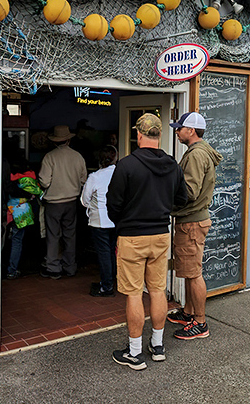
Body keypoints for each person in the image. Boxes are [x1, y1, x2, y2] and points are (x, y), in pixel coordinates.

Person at [107, 113, 187, 370]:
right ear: (159, 135)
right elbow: (182, 199)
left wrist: (125, 220)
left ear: (139, 135)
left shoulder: (127, 165)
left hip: (132, 236)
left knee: (133, 293)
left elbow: (113, 206)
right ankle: (158, 345)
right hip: (161, 234)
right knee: (157, 290)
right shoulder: (173, 165)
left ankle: (134, 353)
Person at [167, 112, 222, 340]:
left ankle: (200, 323)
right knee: (189, 272)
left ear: (191, 131)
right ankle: (188, 312)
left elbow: (189, 192)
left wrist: (164, 194)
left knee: (194, 273)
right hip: (193, 220)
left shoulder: (196, 155)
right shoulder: (199, 152)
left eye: (180, 128)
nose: (177, 131)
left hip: (191, 221)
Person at [38, 125, 88, 279]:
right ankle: (70, 267)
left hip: (54, 203)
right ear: (68, 140)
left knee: (53, 235)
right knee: (70, 235)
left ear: (54, 141)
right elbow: (84, 179)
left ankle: (53, 268)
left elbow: (44, 181)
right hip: (72, 201)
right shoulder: (78, 156)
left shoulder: (49, 157)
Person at [81, 145, 118, 297]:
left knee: (104, 253)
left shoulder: (95, 177)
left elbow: (84, 200)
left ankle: (107, 286)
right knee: (112, 251)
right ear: (115, 158)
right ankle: (112, 280)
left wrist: (94, 206)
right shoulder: (120, 174)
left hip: (100, 220)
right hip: (116, 219)